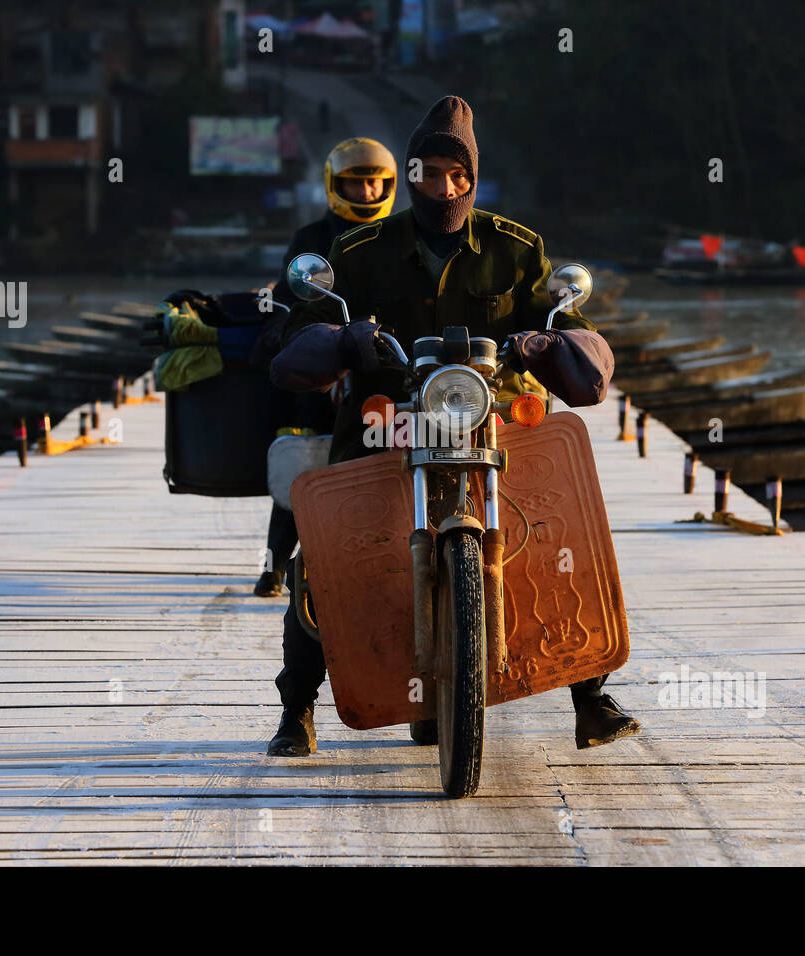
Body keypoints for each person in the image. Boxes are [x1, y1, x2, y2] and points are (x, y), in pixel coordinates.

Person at [265, 95, 641, 756]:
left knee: (563, 537)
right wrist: (348, 337)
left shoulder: (515, 249)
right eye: (431, 172)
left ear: (473, 176)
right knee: (322, 558)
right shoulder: (360, 251)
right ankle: (296, 707)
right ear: (410, 175)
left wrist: (549, 345)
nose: (445, 187)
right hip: (386, 423)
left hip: (492, 418)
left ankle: (590, 695)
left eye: (458, 174)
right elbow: (296, 342)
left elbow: (569, 326)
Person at [254, 138, 399, 597]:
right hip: (327, 363)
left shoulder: (401, 232)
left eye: (374, 182)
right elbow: (292, 300)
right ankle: (275, 565)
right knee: (307, 456)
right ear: (336, 186)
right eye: (355, 184)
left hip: (385, 360)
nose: (366, 191)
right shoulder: (311, 239)